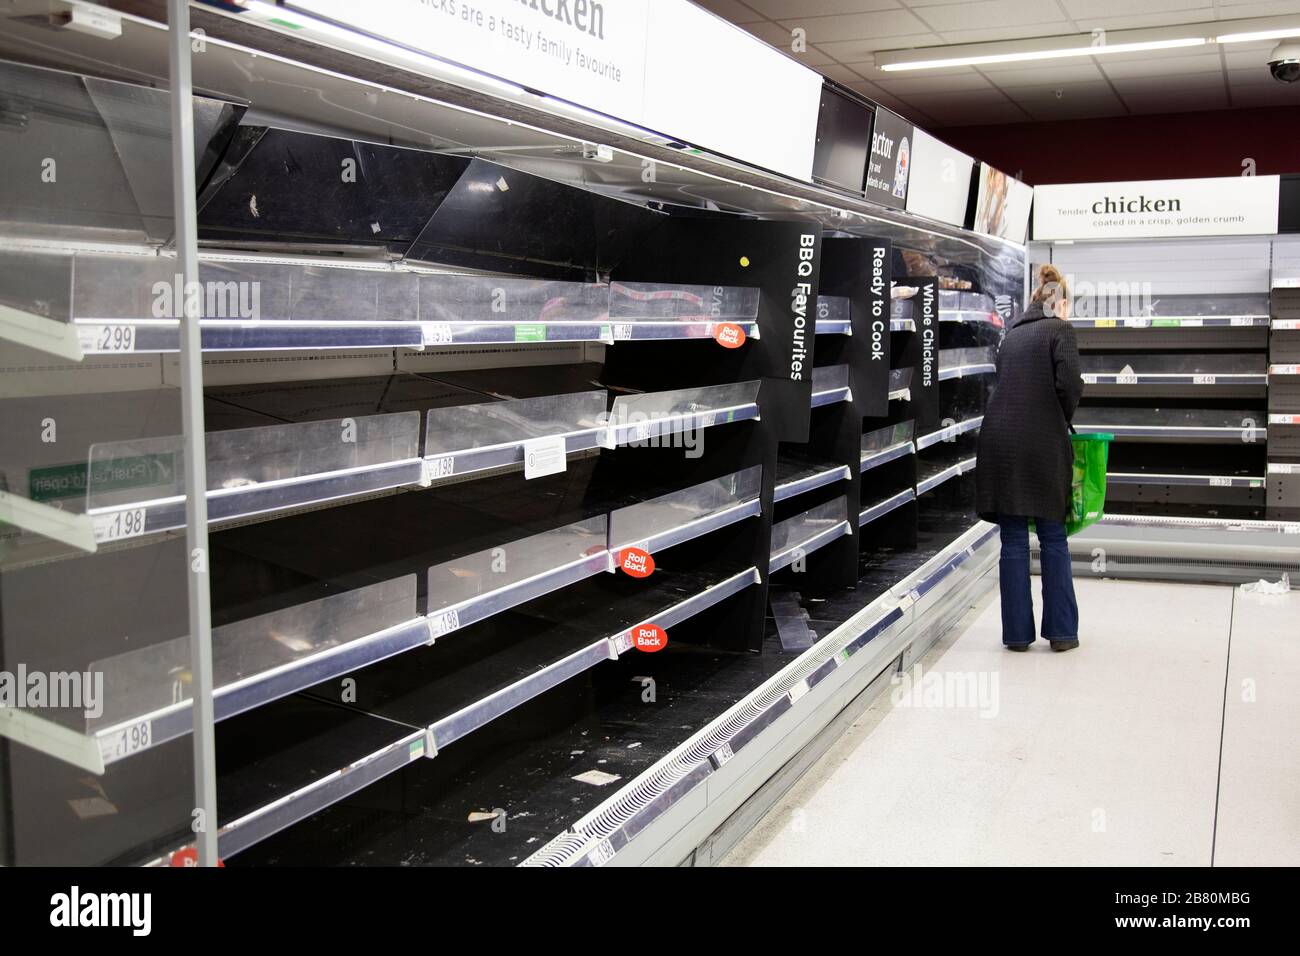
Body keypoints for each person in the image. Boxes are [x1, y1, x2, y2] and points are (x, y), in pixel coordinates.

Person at [975, 264, 1085, 651]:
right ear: (1062, 303)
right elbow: (1070, 384)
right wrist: (1061, 418)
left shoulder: (1011, 335)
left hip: (999, 442)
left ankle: (1017, 636)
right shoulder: (1061, 330)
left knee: (1014, 540)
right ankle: (1061, 633)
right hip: (1040, 443)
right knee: (1053, 535)